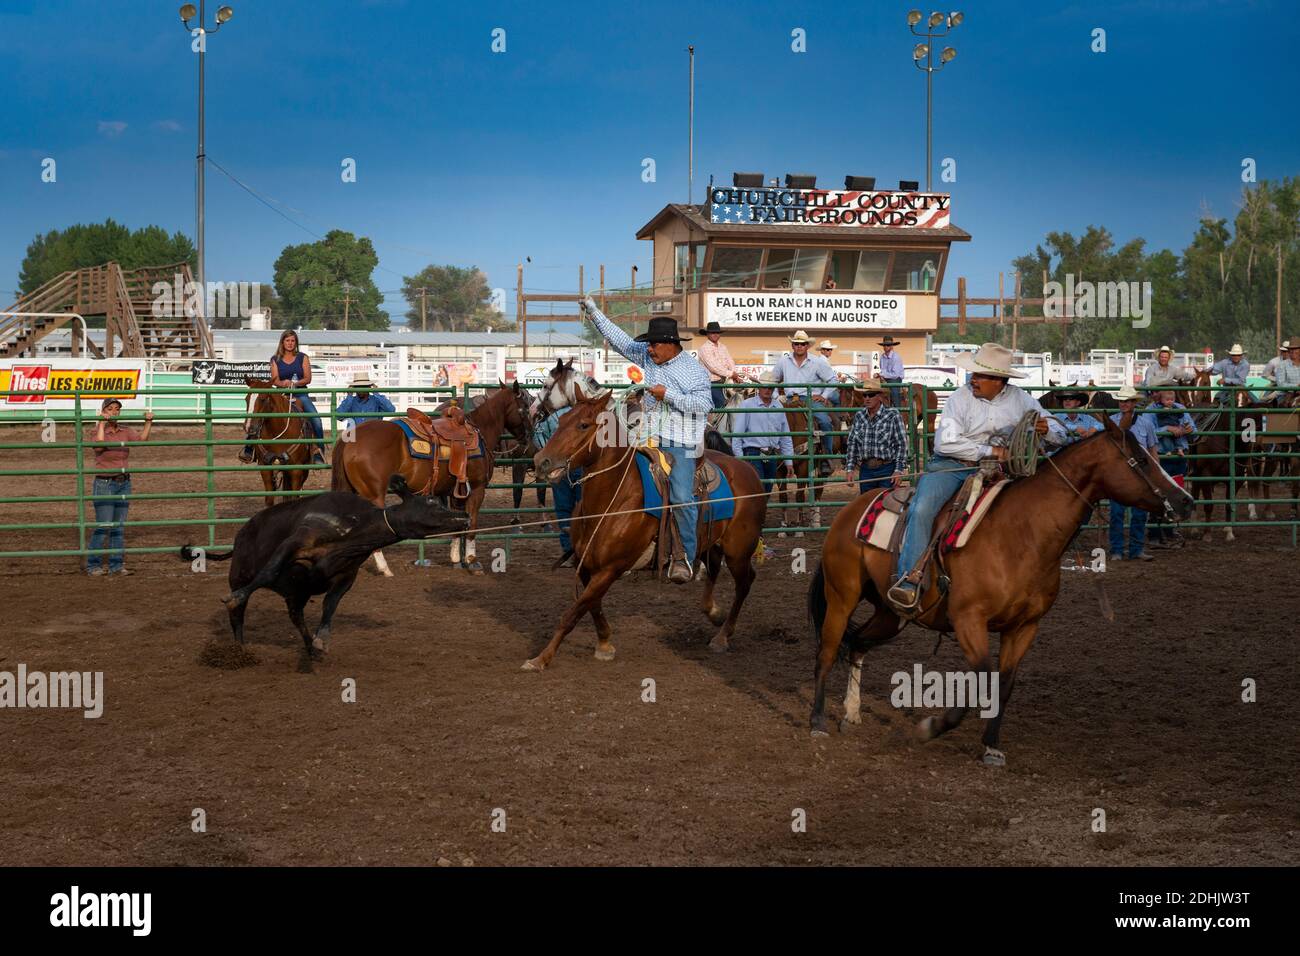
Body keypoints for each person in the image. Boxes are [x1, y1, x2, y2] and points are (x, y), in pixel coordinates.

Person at [888, 343, 1065, 610]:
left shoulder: (1022, 400)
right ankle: (909, 578)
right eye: (974, 374)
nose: (973, 379)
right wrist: (991, 450)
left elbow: (1060, 434)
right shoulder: (960, 398)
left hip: (1002, 472)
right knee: (923, 508)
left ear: (999, 381)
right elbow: (945, 444)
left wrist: (1045, 429)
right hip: (952, 467)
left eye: (980, 375)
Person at [581, 297, 712, 584]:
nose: (648, 349)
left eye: (653, 344)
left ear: (670, 344)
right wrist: (593, 312)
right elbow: (621, 341)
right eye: (648, 345)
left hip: (681, 441)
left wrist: (669, 395)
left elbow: (705, 405)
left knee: (679, 496)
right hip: (647, 436)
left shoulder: (694, 371)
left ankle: (685, 558)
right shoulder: (649, 356)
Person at [87, 398, 153, 575]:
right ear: (103, 411)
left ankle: (116, 565)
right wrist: (101, 422)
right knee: (104, 525)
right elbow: (99, 446)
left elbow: (142, 439)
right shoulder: (96, 431)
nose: (114, 412)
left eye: (117, 409)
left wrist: (148, 421)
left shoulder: (125, 430)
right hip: (104, 483)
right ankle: (93, 564)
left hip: (123, 482)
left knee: (118, 526)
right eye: (110, 409)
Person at [239, 329, 326, 465]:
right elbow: (275, 379)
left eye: (293, 341)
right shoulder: (275, 359)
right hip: (281, 394)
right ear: (282, 342)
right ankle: (249, 448)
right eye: (287, 341)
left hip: (300, 393)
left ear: (296, 343)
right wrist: (284, 384)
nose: (290, 343)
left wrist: (295, 384)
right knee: (260, 413)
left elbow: (308, 378)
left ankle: (317, 452)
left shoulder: (303, 357)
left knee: (316, 420)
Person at [772, 330, 839, 477]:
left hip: (809, 400)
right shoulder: (784, 361)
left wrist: (824, 395)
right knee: (770, 421)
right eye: (796, 344)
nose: (799, 346)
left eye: (802, 344)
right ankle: (769, 454)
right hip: (790, 401)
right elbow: (773, 380)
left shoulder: (818, 361)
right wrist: (776, 397)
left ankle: (826, 457)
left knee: (824, 421)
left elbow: (833, 380)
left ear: (807, 346)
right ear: (792, 345)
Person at [1107, 384, 1160, 562]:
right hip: (1118, 474)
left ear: (1134, 403)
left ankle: (1135, 548)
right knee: (1116, 513)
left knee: (1139, 513)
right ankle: (1117, 549)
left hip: (1141, 474)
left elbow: (1153, 449)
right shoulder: (1112, 422)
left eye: (1127, 401)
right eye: (1121, 401)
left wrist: (1156, 471)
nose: (1123, 404)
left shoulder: (1146, 423)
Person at [1146, 389, 1196, 549]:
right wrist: (1167, 428)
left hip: (1176, 457)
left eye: (1171, 395)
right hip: (1160, 456)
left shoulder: (1180, 408)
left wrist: (1189, 430)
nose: (1169, 398)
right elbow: (1147, 432)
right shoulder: (1150, 411)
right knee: (1158, 493)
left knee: (1174, 493)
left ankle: (1168, 530)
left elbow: (1193, 431)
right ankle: (1154, 532)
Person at [730, 371, 795, 492]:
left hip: (771, 453)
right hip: (752, 453)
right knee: (758, 489)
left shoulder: (778, 406)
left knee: (767, 489)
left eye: (770, 387)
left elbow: (785, 436)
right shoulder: (747, 405)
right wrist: (740, 460)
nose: (767, 390)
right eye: (764, 387)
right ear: (758, 387)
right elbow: (737, 434)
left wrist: (788, 461)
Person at [843, 377, 909, 495]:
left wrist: (898, 470)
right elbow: (852, 443)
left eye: (871, 395)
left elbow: (901, 444)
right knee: (867, 506)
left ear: (879, 396)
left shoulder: (893, 415)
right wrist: (850, 468)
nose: (867, 398)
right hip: (866, 469)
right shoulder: (859, 416)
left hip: (887, 468)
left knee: (886, 506)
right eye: (865, 395)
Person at [533, 406, 581, 561]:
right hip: (579, 465)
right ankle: (582, 549)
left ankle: (568, 551)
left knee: (563, 508)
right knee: (584, 507)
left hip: (558, 467)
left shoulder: (550, 416)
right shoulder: (582, 412)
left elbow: (538, 439)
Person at [695, 321, 743, 410]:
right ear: (707, 334)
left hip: (725, 381)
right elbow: (713, 367)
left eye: (717, 332)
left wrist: (734, 374)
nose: (715, 334)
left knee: (739, 399)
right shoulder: (704, 349)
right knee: (722, 404)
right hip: (710, 383)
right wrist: (731, 374)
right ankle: (714, 423)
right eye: (712, 332)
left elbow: (730, 361)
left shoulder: (723, 347)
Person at [878, 335, 905, 406]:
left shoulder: (896, 357)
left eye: (888, 345)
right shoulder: (882, 357)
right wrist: (879, 375)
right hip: (885, 379)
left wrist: (882, 374)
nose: (886, 347)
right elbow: (883, 370)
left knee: (894, 391)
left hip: (895, 379)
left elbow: (895, 374)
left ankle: (897, 409)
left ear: (892, 346)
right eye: (885, 345)